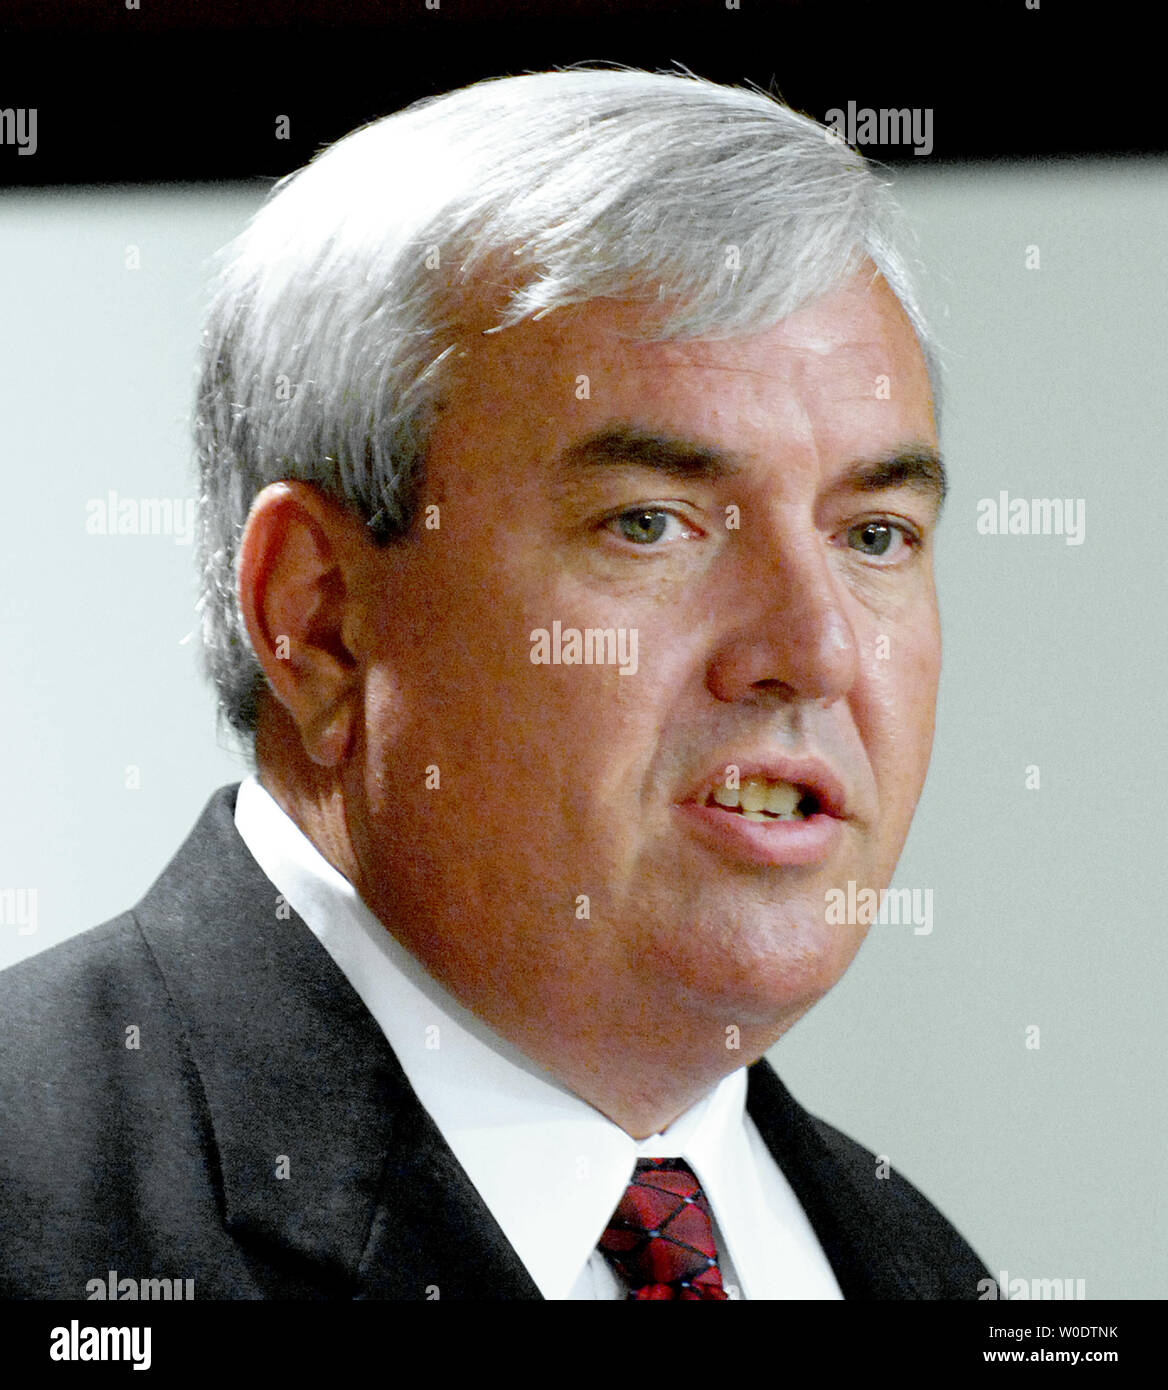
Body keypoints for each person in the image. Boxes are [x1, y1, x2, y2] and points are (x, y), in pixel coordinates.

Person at [0, 67, 990, 1299]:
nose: (817, 650)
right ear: (318, 617)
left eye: (874, 535)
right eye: (649, 523)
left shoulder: (920, 1270)